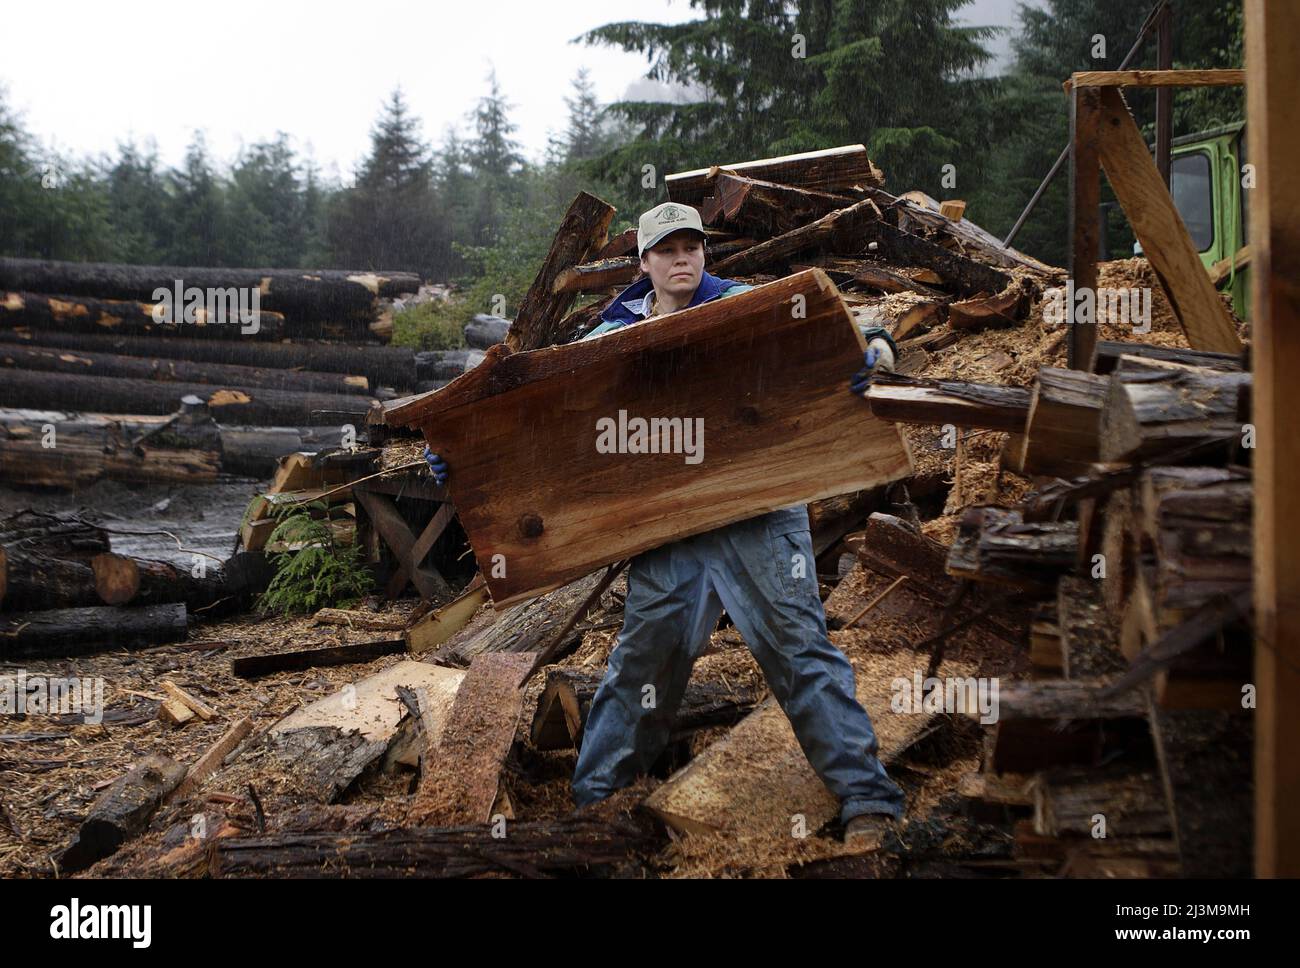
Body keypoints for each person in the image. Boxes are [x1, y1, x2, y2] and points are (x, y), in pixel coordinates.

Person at [424, 201, 901, 842]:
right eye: (667, 250)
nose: (682, 259)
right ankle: (594, 809)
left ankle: (868, 803)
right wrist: (464, 448)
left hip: (755, 511)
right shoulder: (612, 333)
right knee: (644, 663)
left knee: (797, 652)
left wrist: (877, 343)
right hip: (667, 524)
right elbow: (538, 404)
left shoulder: (742, 303)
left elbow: (843, 319)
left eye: (692, 247)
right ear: (644, 262)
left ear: (704, 253)